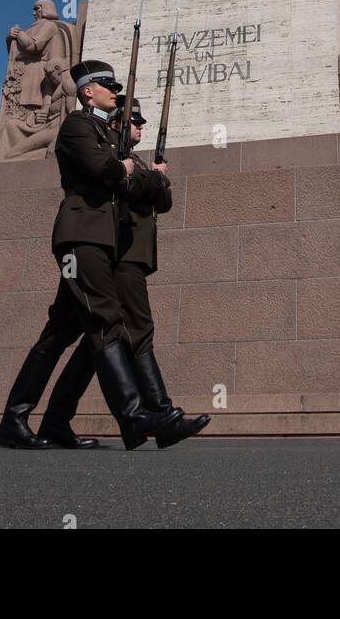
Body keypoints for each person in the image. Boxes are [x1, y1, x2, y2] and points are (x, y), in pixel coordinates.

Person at [37, 98, 210, 450]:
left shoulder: (137, 162)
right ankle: (158, 416)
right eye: (134, 122)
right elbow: (128, 187)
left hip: (130, 255)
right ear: (116, 124)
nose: (140, 128)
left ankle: (60, 419)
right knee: (136, 330)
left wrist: (153, 178)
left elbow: (164, 202)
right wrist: (153, 178)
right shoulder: (115, 160)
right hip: (118, 256)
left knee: (96, 341)